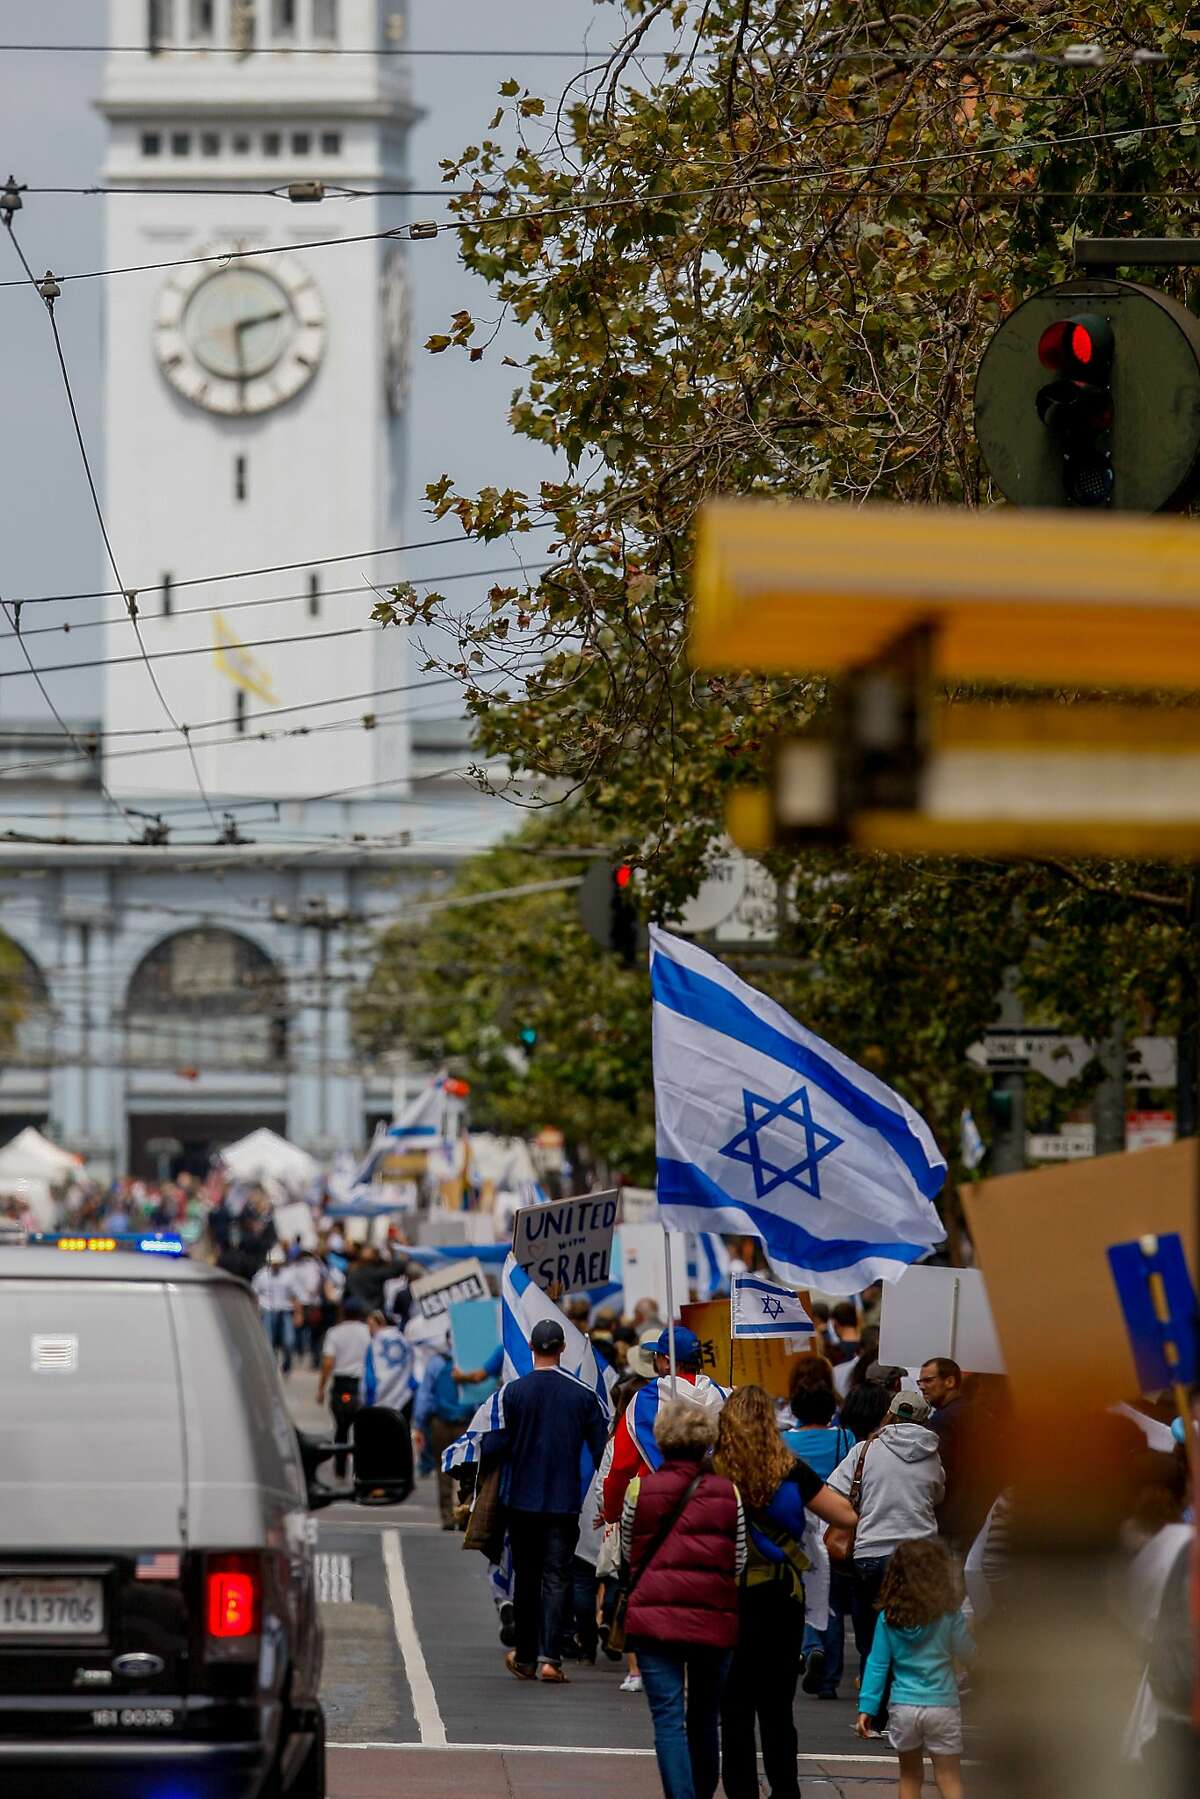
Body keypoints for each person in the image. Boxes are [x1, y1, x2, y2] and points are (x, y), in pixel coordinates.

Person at [713, 1386, 858, 1799]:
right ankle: (785, 1790)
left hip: (729, 1598)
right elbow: (846, 1513)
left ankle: (741, 1791)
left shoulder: (714, 1471)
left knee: (734, 1707)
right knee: (777, 1707)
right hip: (782, 1598)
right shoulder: (791, 1469)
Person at [622, 1399, 744, 1799]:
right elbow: (737, 1560)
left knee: (668, 1719)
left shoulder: (640, 1489)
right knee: (705, 1717)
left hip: (653, 1620)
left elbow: (628, 1553)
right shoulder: (729, 1493)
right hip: (714, 1617)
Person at [500, 1317, 609, 1682]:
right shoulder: (582, 1395)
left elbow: (497, 1445)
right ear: (562, 1348)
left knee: (527, 1578)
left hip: (521, 1501)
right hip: (563, 1501)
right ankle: (551, 1657)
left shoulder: (513, 1393)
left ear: (532, 1348)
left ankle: (527, 1656)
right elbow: (601, 1454)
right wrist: (606, 1500)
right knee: (557, 1577)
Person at [825, 1391, 945, 1695]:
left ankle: (872, 1709)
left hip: (871, 1552)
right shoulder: (932, 1456)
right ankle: (907, 1703)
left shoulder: (864, 1451)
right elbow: (938, 1495)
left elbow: (834, 1491)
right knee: (912, 1632)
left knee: (870, 1634)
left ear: (889, 1415)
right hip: (918, 1555)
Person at [856, 1538, 974, 1799]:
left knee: (910, 1776)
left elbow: (877, 1664)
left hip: (904, 1706)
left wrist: (867, 1707)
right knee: (948, 1776)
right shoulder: (949, 1615)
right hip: (943, 1704)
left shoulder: (888, 1618)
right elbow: (968, 1653)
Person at [782, 1359, 855, 1701]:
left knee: (805, 1592)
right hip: (836, 1524)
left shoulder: (783, 1442)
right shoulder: (845, 1437)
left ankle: (810, 1646)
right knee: (834, 1599)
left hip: (800, 1524)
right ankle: (829, 1679)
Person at [601, 1326, 726, 1523]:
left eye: (657, 1355)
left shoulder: (645, 1400)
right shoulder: (724, 1396)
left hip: (659, 1512)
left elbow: (620, 1468)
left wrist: (612, 1513)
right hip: (714, 1506)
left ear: (666, 1361)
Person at [918, 1357, 994, 1551]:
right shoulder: (982, 1414)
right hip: (979, 1514)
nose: (922, 1387)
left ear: (950, 1382)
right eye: (920, 1382)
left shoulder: (942, 1421)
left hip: (950, 1517)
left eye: (928, 1380)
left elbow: (937, 1470)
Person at [412, 1330, 479, 1528]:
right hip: (467, 1422)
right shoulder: (472, 1362)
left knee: (443, 1471)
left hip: (440, 1422)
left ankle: (447, 1516)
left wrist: (419, 1423)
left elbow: (425, 1395)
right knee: (469, 1471)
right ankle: (465, 1514)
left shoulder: (436, 1363)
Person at [316, 1298, 371, 1478]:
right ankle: (362, 1471)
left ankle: (340, 1470)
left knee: (341, 1430)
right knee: (362, 1432)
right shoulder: (367, 1332)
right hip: (361, 1385)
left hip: (341, 1385)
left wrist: (321, 1388)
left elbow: (328, 1361)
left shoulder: (334, 1333)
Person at [251, 1246, 296, 1375]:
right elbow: (254, 1294)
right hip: (268, 1311)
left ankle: (287, 1365)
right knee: (269, 1340)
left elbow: (294, 1295)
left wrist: (298, 1313)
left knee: (289, 1341)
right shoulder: (261, 1276)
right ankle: (271, 1365)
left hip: (285, 1310)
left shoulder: (288, 1275)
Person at [363, 1309, 416, 1414]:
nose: (369, 1330)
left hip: (380, 1401)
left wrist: (368, 1398)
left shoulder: (375, 1343)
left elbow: (369, 1374)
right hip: (405, 1398)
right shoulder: (404, 1339)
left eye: (371, 1326)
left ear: (382, 1323)